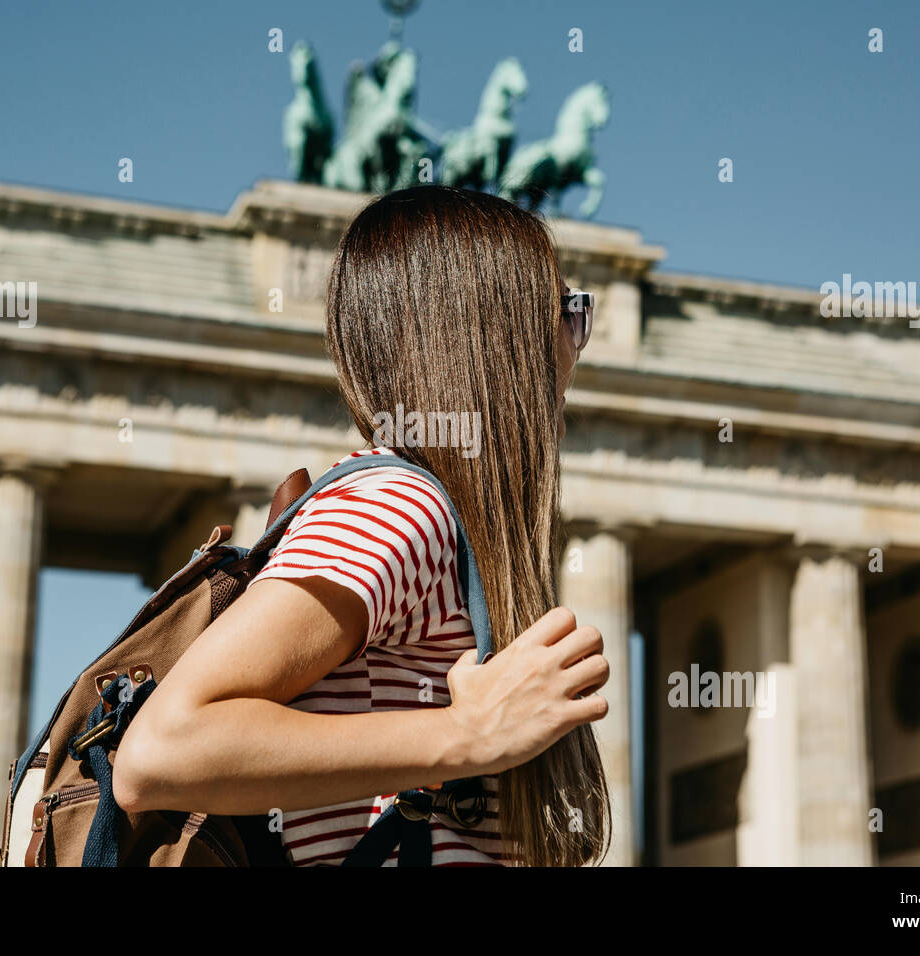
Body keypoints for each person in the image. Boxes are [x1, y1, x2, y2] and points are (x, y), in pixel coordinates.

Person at [114, 184, 612, 866]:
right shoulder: (400, 506)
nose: (575, 344)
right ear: (502, 335)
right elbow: (162, 749)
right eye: (566, 312)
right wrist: (467, 732)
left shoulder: (443, 522)